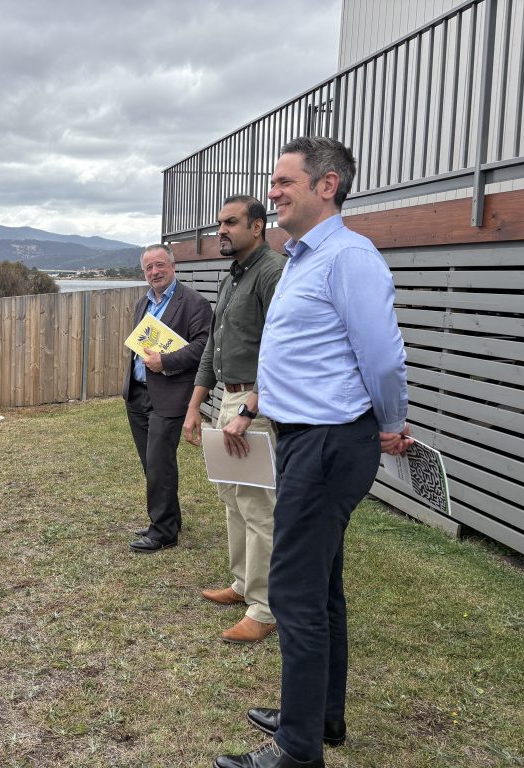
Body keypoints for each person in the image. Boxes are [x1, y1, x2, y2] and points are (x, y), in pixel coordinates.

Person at [215, 137, 412, 768]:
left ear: (327, 186)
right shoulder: (303, 258)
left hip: (329, 440)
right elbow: (295, 356)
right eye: (273, 182)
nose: (273, 192)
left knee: (294, 594)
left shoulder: (349, 257)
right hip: (306, 437)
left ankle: (297, 751)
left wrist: (391, 423)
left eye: (285, 182)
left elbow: (382, 357)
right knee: (320, 589)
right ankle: (319, 716)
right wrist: (253, 407)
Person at [183, 195, 285, 644]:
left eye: (230, 222)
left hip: (255, 404)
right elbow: (212, 347)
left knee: (258, 507)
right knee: (232, 498)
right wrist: (195, 406)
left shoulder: (272, 272)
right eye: (219, 223)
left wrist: (249, 410)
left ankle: (265, 608)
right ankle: (244, 584)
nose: (220, 231)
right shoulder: (232, 277)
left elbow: (283, 348)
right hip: (228, 397)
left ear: (257, 226)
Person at [122, 244, 213, 552]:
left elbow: (204, 346)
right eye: (149, 267)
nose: (155, 272)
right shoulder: (143, 303)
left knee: (160, 462)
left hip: (170, 395)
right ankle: (167, 519)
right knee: (151, 463)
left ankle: (163, 533)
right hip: (138, 394)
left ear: (173, 266)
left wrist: (166, 361)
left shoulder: (195, 303)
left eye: (160, 265)